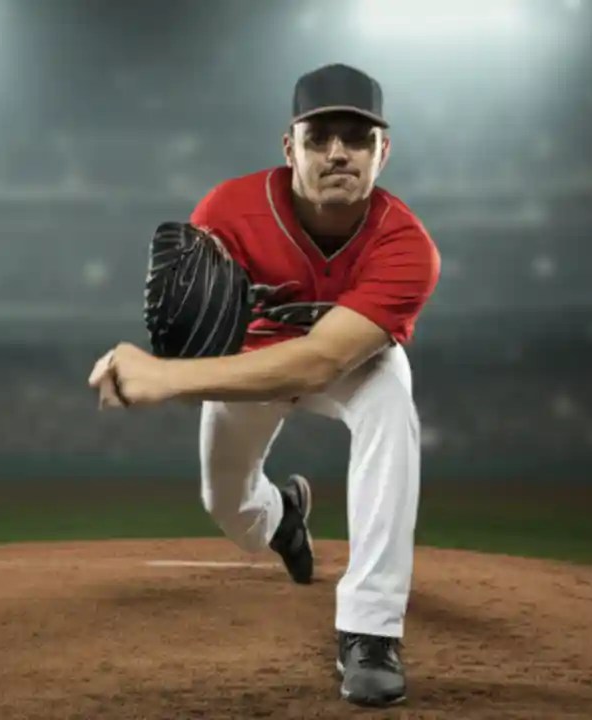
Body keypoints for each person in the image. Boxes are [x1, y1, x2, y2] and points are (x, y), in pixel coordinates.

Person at [87, 63, 440, 708]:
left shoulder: (407, 247)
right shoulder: (228, 211)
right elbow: (193, 334)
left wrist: (163, 378)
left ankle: (371, 629)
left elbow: (318, 364)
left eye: (358, 138)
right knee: (229, 507)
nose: (339, 151)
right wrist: (157, 362)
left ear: (382, 151)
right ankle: (284, 521)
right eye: (320, 136)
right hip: (247, 370)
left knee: (391, 393)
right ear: (290, 147)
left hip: (346, 367)